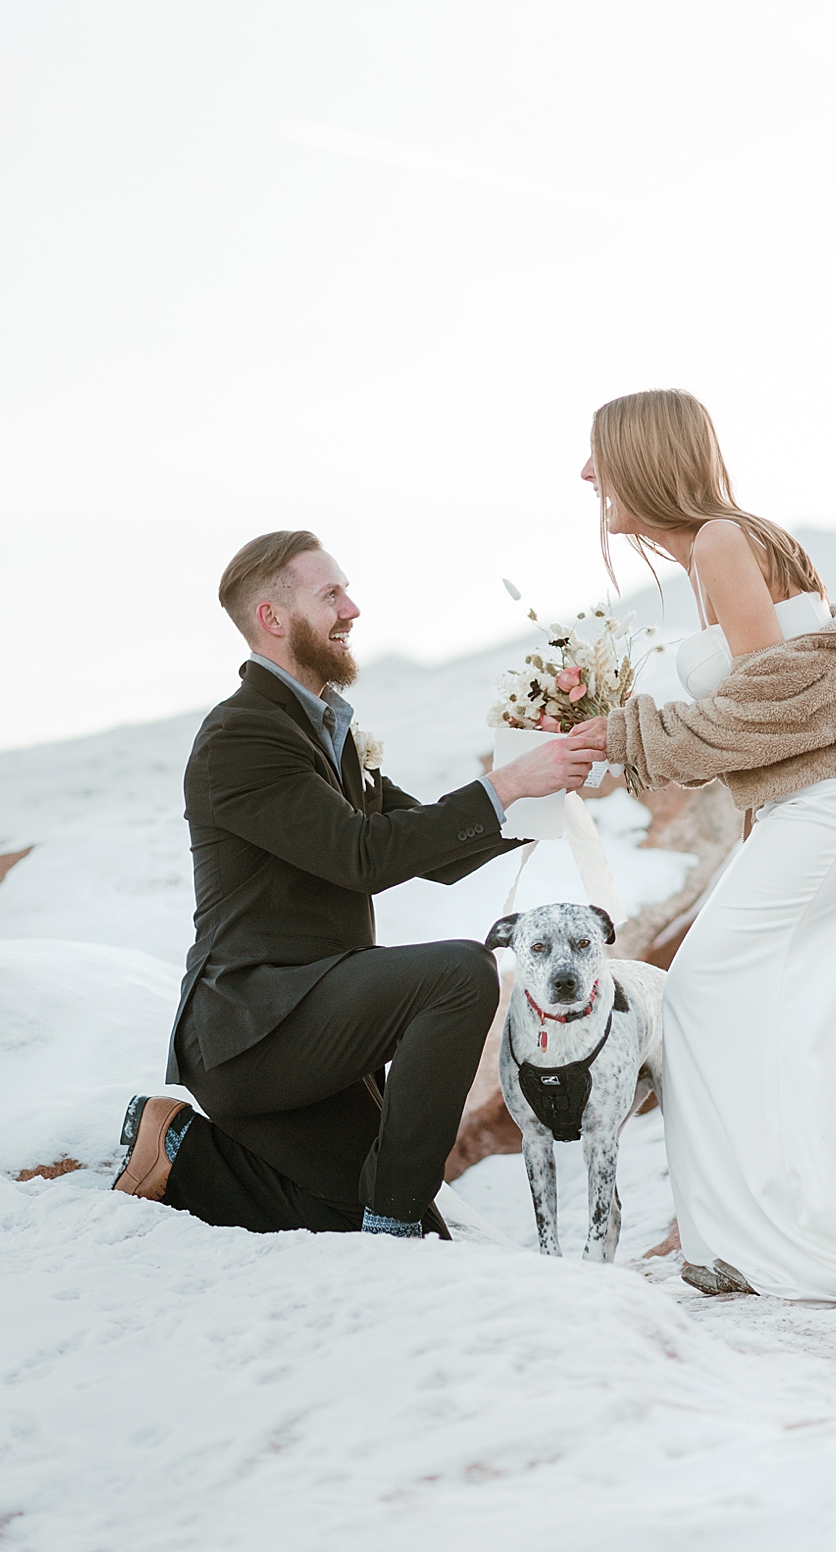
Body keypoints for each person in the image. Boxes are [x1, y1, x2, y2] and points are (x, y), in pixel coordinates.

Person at [569, 391, 836, 1302]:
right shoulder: (731, 540)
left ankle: (759, 1245)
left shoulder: (719, 540)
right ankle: (785, 1226)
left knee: (707, 989)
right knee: (814, 1009)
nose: (587, 475)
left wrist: (627, 737)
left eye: (598, 455)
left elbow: (771, 700)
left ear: (641, 458)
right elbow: (774, 694)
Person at [112, 529, 603, 1237]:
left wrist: (543, 778)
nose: (353, 609)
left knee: (342, 1214)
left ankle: (183, 1149)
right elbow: (360, 855)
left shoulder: (326, 730)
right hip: (253, 1029)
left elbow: (431, 849)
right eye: (331, 594)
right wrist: (505, 783)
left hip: (314, 1027)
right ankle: (392, 1227)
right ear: (272, 619)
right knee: (460, 972)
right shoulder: (243, 734)